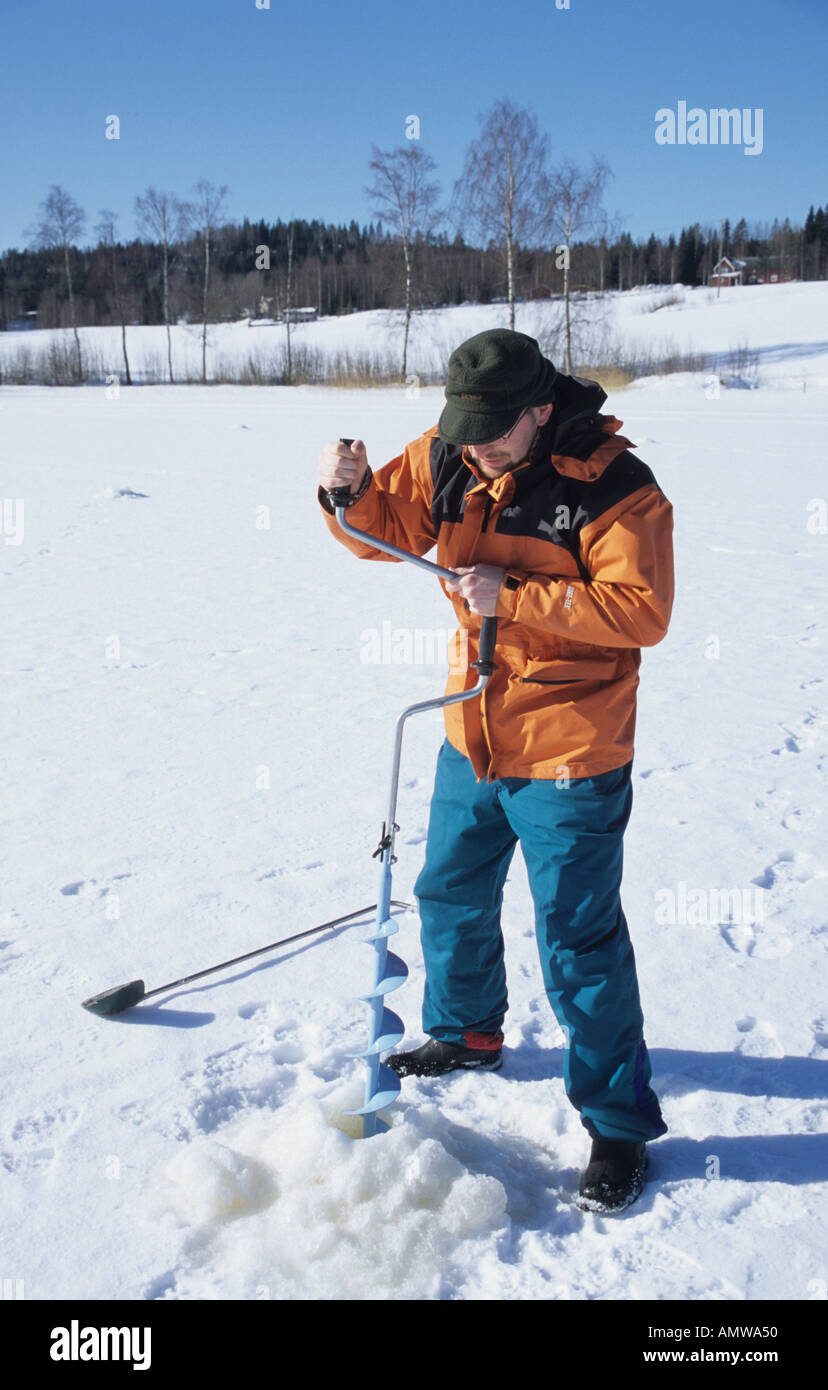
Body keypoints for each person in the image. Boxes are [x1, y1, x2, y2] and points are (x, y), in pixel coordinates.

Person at [317, 328, 675, 1213]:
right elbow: (386, 531)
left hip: (571, 745)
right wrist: (349, 495)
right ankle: (468, 1032)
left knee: (578, 940)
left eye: (492, 428)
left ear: (541, 411)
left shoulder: (616, 486)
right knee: (446, 889)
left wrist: (514, 596)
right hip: (472, 726)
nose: (472, 444)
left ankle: (618, 1127)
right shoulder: (449, 452)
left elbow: (643, 609)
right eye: (462, 425)